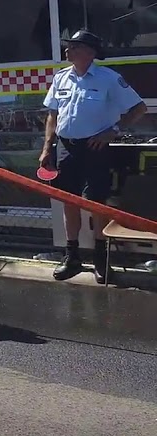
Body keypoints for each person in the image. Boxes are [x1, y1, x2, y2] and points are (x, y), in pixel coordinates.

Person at [41, 30, 146, 284]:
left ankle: (101, 258)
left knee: (96, 203)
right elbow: (52, 115)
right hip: (67, 146)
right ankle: (72, 256)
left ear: (90, 52)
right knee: (70, 201)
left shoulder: (109, 78)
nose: (67, 51)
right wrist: (47, 147)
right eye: (68, 47)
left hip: (95, 148)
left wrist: (114, 131)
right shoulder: (61, 78)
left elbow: (139, 108)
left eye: (74, 46)